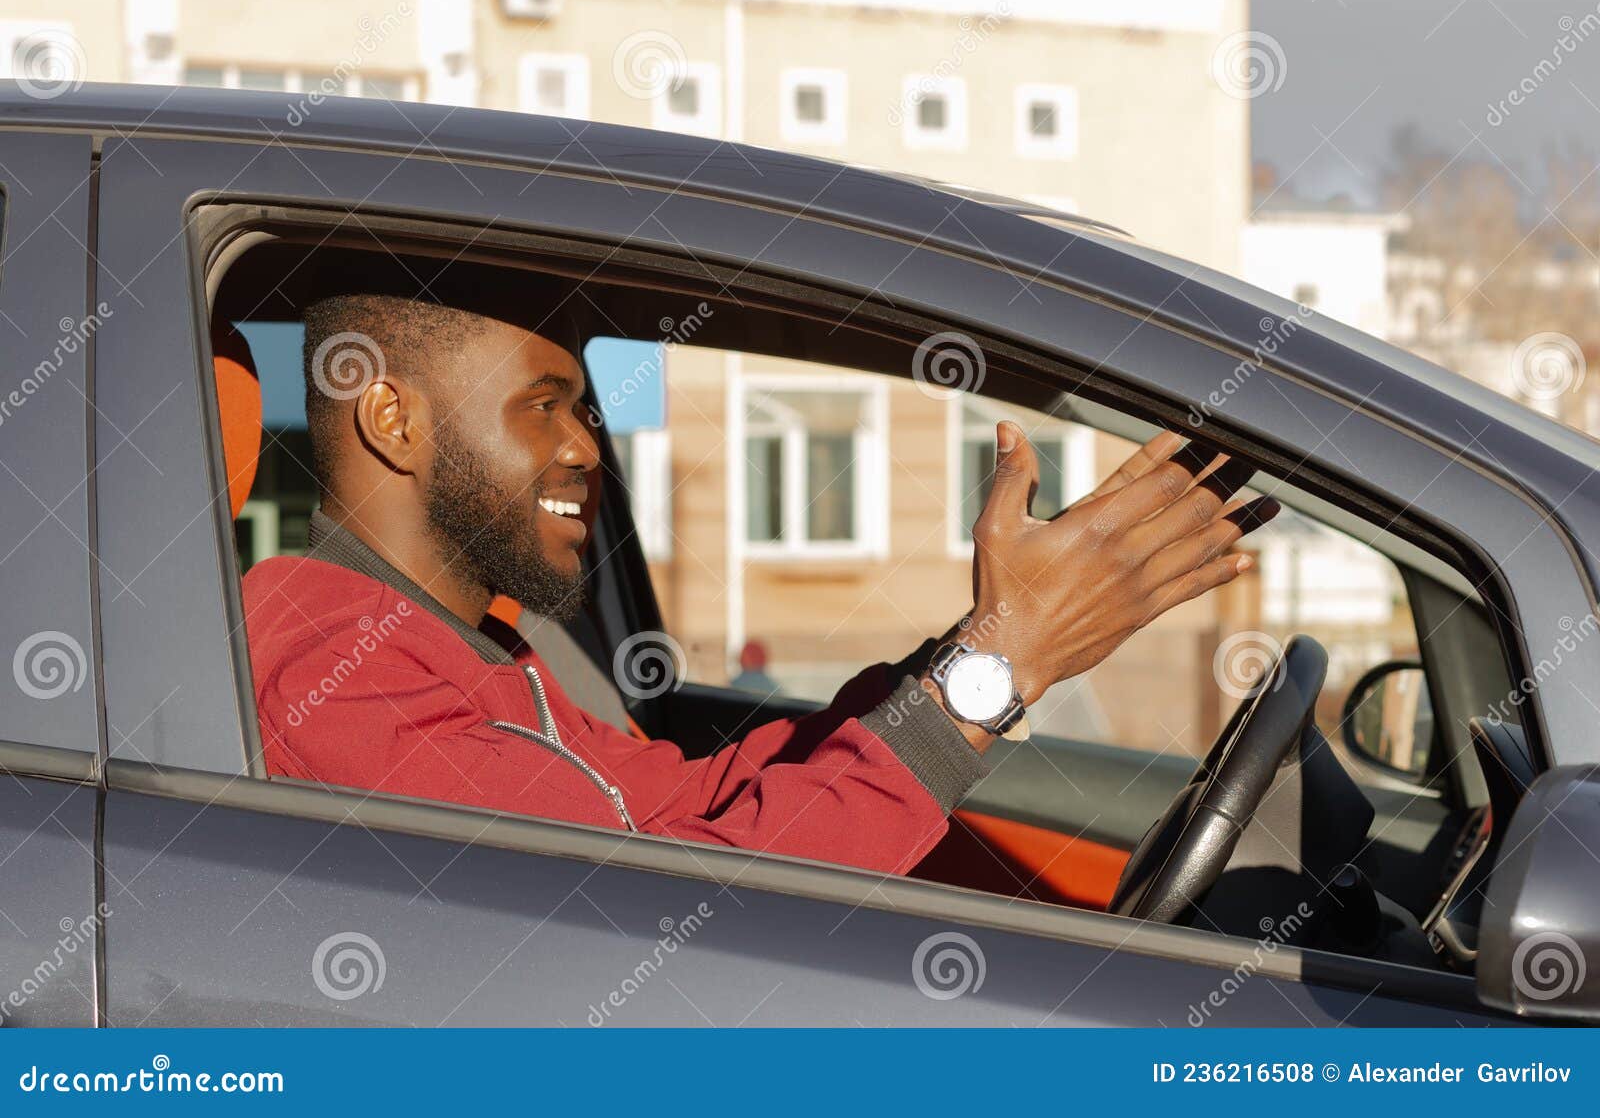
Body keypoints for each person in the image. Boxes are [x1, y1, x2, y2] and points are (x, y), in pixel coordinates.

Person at [241, 269, 1276, 876]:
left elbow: (687, 802)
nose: (588, 449)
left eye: (587, 409)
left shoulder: (459, 643)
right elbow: (670, 933)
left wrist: (984, 643)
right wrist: (992, 673)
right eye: (543, 404)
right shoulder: (339, 679)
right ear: (393, 419)